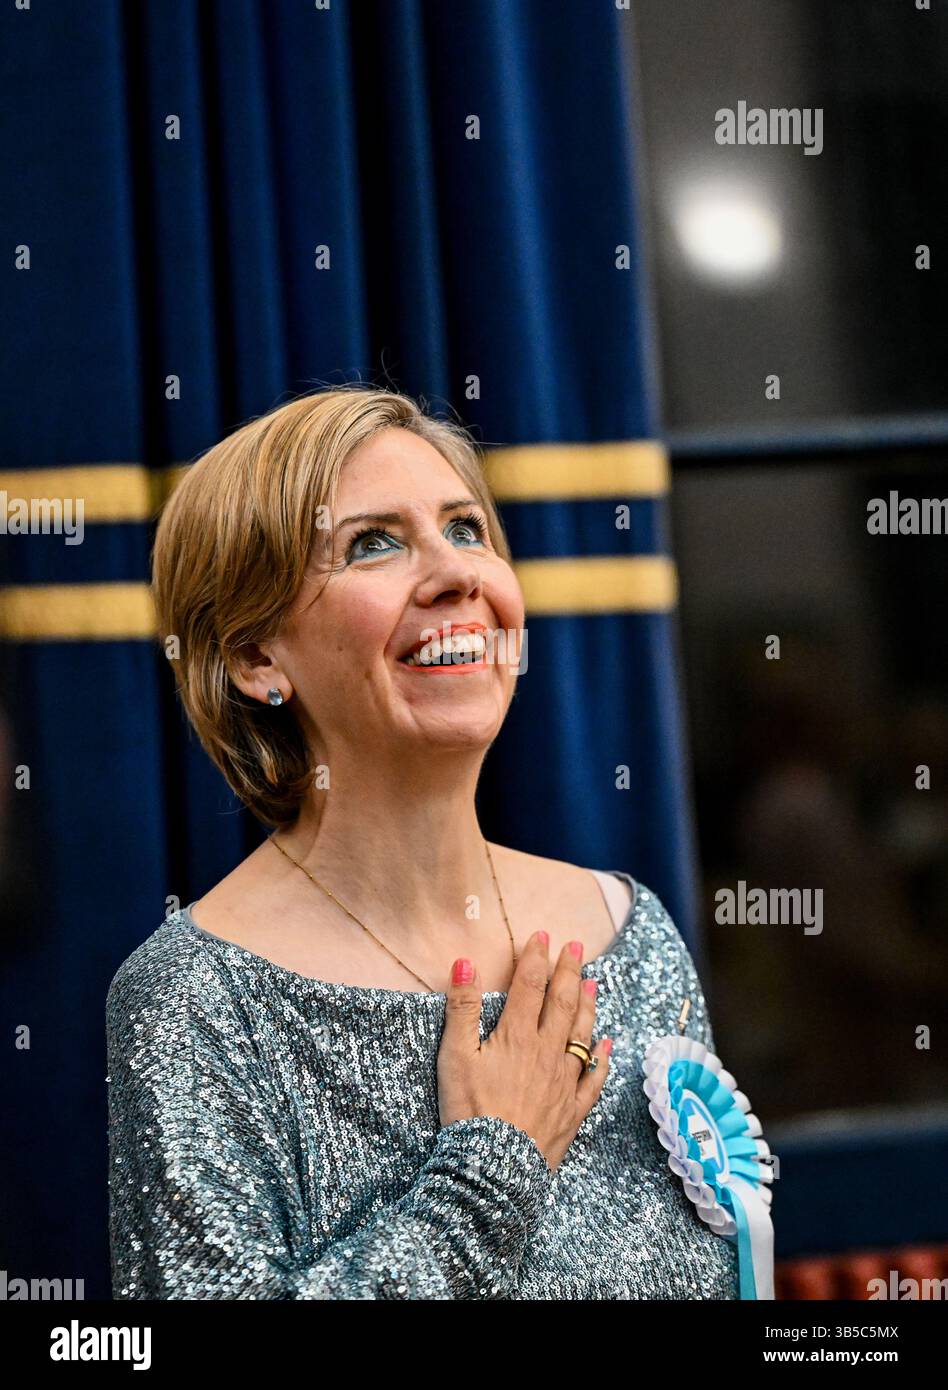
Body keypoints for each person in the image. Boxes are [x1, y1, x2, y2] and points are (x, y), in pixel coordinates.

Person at [106, 385, 738, 1300]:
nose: (456, 575)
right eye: (373, 543)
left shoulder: (632, 931)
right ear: (255, 658)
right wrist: (491, 1170)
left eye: (468, 529)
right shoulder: (194, 999)